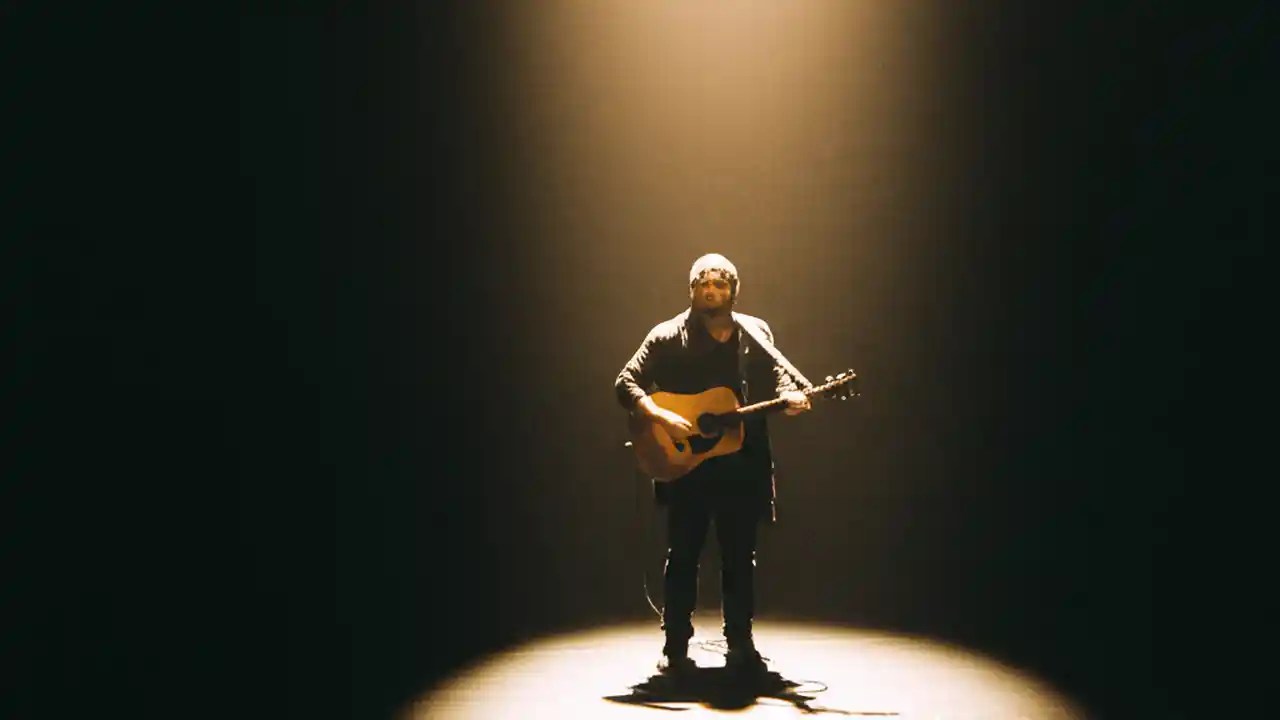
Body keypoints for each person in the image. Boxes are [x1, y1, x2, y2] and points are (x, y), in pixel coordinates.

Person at [615, 253, 813, 675]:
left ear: (733, 290)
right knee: (683, 554)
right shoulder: (668, 334)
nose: (711, 291)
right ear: (691, 289)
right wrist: (659, 414)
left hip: (741, 462)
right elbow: (626, 381)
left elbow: (777, 374)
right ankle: (675, 647)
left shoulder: (754, 331)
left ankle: (740, 643)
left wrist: (789, 397)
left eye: (721, 284)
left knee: (739, 557)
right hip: (688, 462)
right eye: (703, 283)